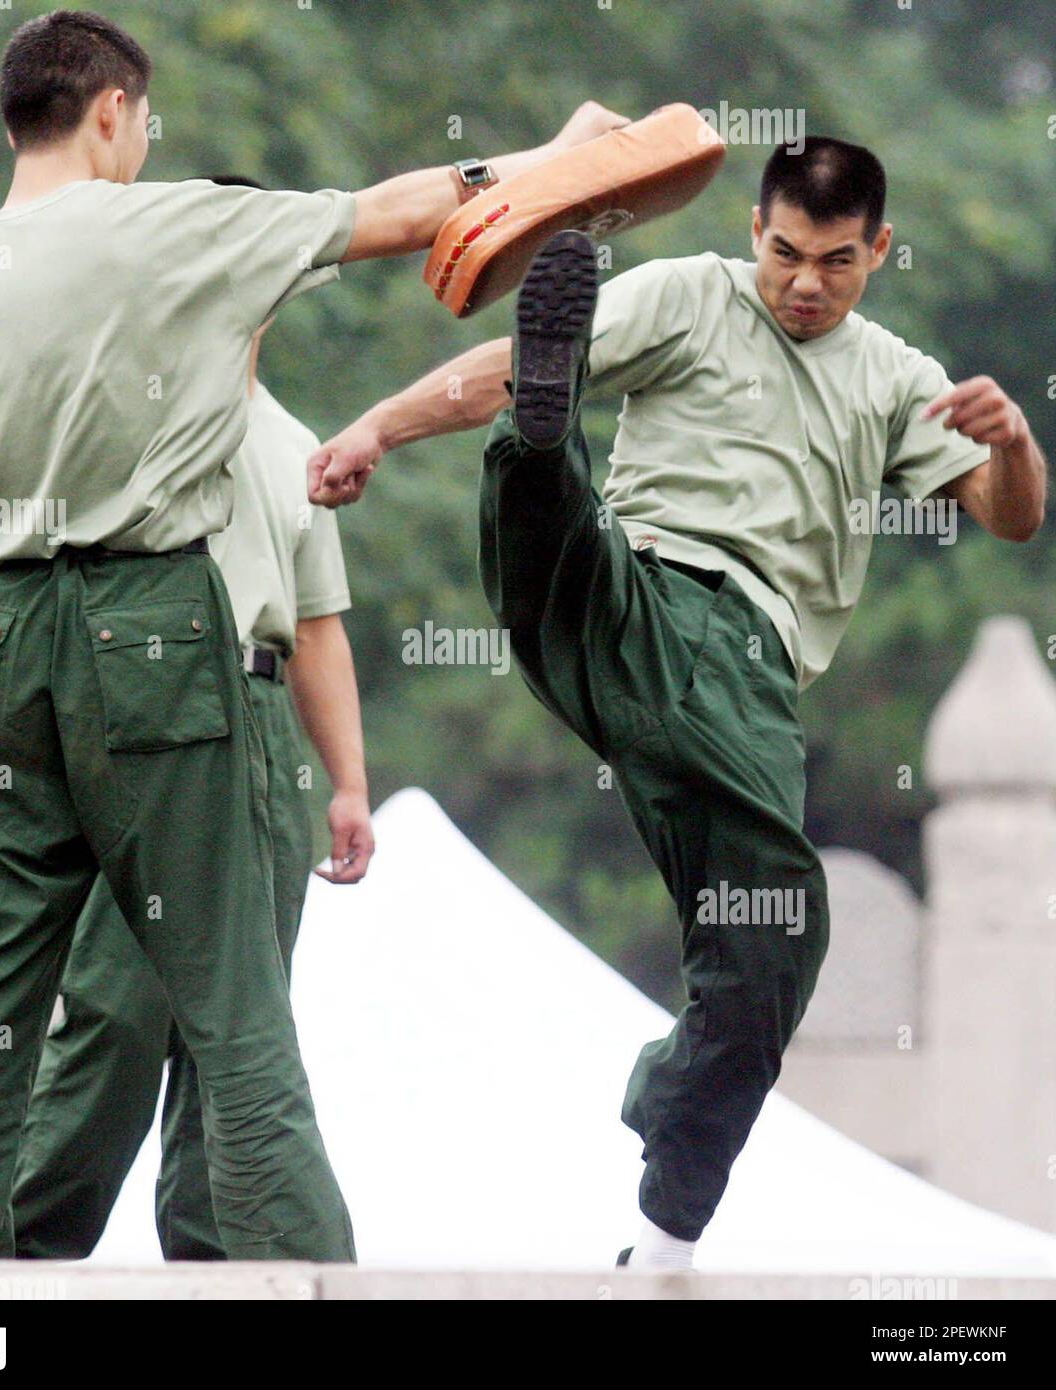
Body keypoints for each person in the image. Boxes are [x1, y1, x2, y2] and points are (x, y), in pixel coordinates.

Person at [0, 7, 627, 1260]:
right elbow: (398, 213)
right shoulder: (171, 224)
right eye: (145, 120)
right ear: (112, 110)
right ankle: (304, 1291)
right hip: (148, 639)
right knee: (230, 1002)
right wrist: (556, 159)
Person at [307, 138, 1047, 1268]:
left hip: (740, 677)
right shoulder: (692, 297)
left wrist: (1015, 444)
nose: (805, 284)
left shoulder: (898, 378)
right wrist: (374, 427)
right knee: (545, 474)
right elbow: (500, 359)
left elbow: (1010, 518)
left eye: (837, 264)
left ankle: (661, 1235)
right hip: (629, 589)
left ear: (879, 252)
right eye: (786, 254)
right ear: (755, 230)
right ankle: (545, 442)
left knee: (775, 942)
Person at [5, 172, 372, 1260]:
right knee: (116, 1016)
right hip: (155, 715)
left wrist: (346, 780)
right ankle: (3, 1262)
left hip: (261, 726)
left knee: (242, 1031)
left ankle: (224, 1268)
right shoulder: (127, 416)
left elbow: (315, 627)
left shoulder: (291, 436)